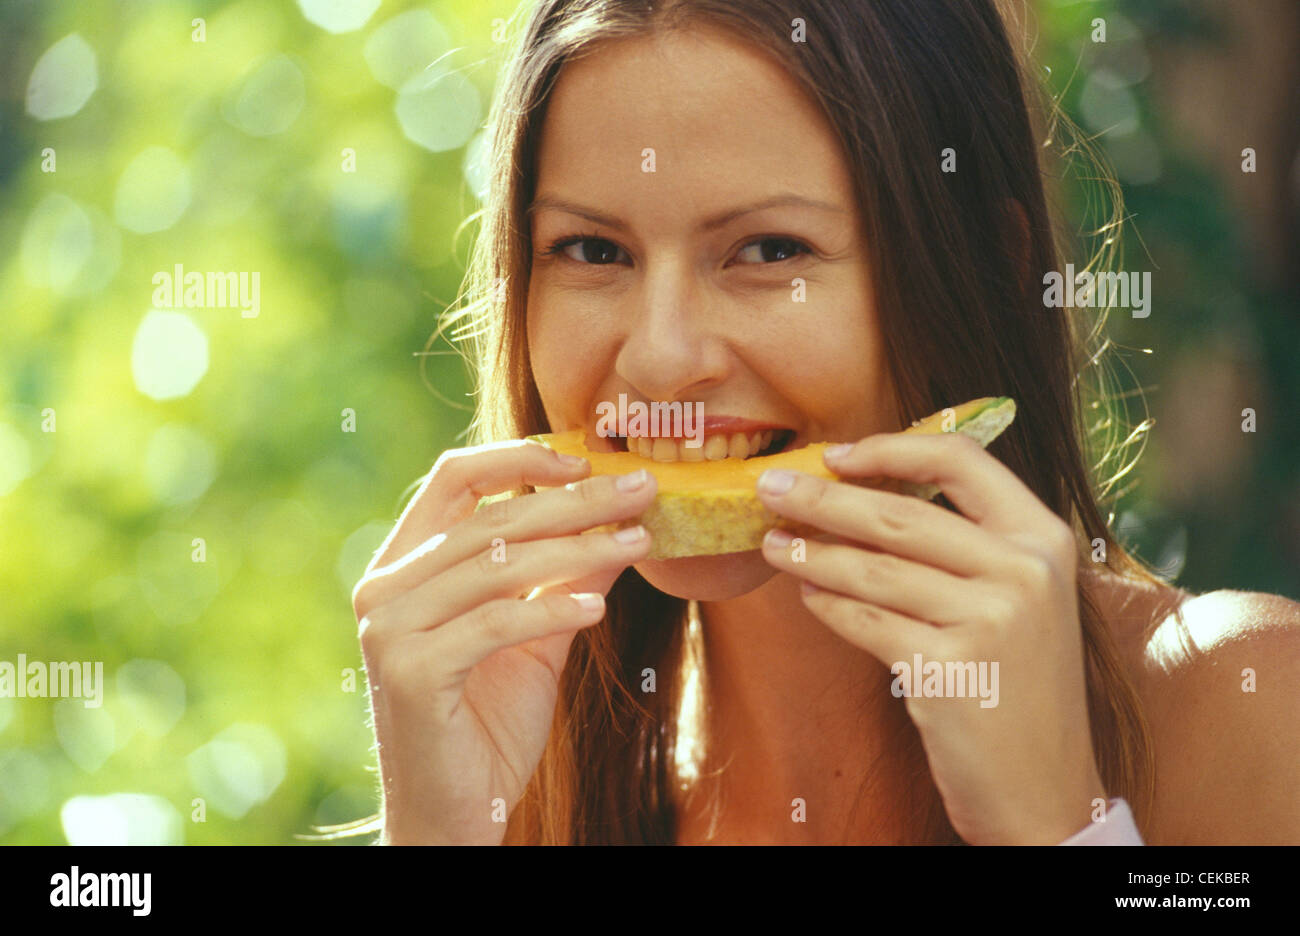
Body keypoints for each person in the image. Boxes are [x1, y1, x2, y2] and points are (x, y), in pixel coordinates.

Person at [349, 0, 1299, 845]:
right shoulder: (503, 782)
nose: (661, 358)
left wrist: (1061, 832)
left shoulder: (1251, 708)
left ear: (989, 276)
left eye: (769, 249)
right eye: (591, 249)